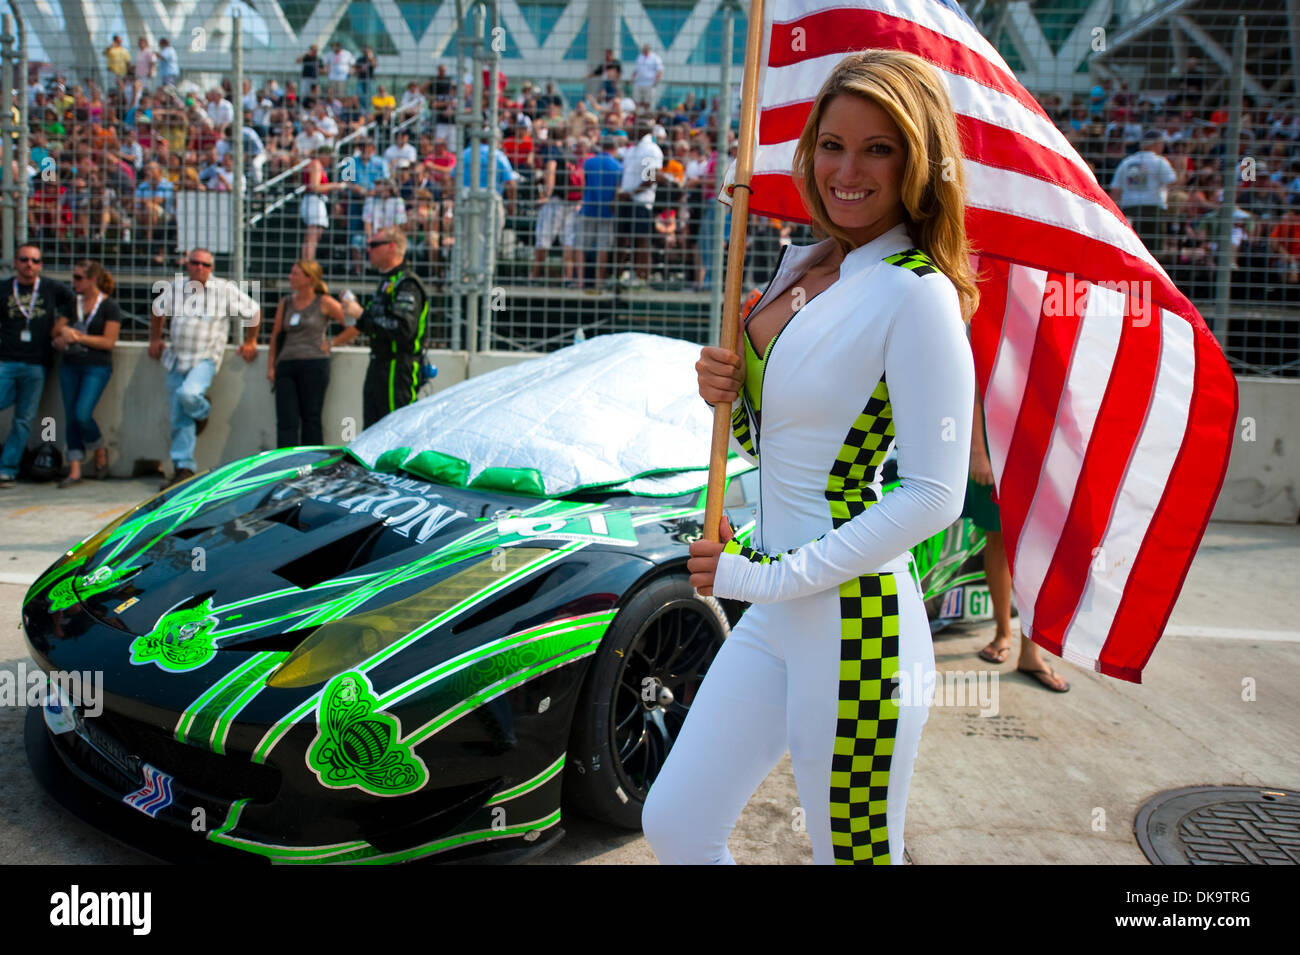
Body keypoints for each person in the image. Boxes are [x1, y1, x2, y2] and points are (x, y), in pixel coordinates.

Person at [642, 50, 978, 865]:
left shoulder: (917, 292)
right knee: (678, 824)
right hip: (774, 611)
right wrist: (729, 391)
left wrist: (765, 576)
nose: (847, 170)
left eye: (877, 148)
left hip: (856, 622)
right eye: (832, 144)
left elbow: (937, 494)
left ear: (916, 162)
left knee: (855, 859)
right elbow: (779, 440)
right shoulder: (806, 261)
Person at [968, 394, 1069, 691]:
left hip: (1047, 441)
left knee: (1038, 546)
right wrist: (977, 452)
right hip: (996, 438)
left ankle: (1031, 651)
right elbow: (974, 389)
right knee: (998, 539)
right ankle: (1003, 633)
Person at [148, 248, 261, 489]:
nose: (200, 268)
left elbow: (253, 311)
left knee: (188, 395)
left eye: (205, 265)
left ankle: (202, 411)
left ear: (211, 268)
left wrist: (251, 341)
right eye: (195, 263)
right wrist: (155, 338)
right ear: (187, 265)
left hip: (205, 358)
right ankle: (184, 468)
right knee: (179, 416)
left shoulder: (223, 289)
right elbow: (157, 310)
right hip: (176, 359)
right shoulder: (175, 287)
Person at [337, 227, 430, 428]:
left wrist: (361, 314)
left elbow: (403, 329)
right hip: (378, 363)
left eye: (373, 245)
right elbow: (371, 323)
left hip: (397, 367)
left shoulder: (407, 284)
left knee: (394, 430)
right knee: (372, 431)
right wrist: (354, 313)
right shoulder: (386, 282)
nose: (367, 249)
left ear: (391, 248)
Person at [0, 245, 73, 488]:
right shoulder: (4, 288)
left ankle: (7, 469)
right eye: (24, 259)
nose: (29, 264)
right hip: (7, 360)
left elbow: (76, 302)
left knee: (24, 419)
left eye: (35, 260)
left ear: (41, 264)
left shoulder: (51, 288)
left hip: (37, 364)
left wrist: (60, 326)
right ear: (15, 263)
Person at [54, 261, 121, 486]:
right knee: (71, 414)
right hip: (70, 364)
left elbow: (108, 341)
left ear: (92, 280)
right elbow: (55, 330)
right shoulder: (73, 303)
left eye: (78, 278)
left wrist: (79, 338)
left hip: (96, 365)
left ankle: (98, 446)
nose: (74, 282)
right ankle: (75, 469)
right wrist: (64, 332)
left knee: (83, 413)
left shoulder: (109, 306)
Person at [267, 261, 346, 448]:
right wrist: (271, 366)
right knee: (287, 419)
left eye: (295, 274)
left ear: (309, 278)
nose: (290, 277)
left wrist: (333, 342)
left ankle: (313, 463)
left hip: (314, 364)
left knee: (311, 417)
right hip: (286, 364)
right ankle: (285, 466)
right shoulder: (286, 302)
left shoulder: (324, 301)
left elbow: (353, 325)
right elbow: (275, 335)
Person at [1109, 128, 1179, 254]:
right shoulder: (1159, 161)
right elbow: (1173, 182)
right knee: (1154, 253)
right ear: (1155, 144)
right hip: (1153, 210)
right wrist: (1182, 168)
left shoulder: (1126, 163)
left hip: (1130, 209)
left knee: (1132, 250)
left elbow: (1115, 191)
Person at [300, 145, 347, 262]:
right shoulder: (316, 164)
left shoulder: (318, 165)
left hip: (315, 201)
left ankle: (307, 262)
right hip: (313, 201)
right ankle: (308, 263)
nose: (330, 161)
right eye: (330, 158)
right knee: (312, 236)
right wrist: (335, 185)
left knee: (313, 235)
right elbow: (314, 187)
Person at [632, 43, 664, 111]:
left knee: (647, 102)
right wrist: (632, 78)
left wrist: (656, 80)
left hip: (649, 84)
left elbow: (660, 70)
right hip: (639, 83)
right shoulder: (640, 57)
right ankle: (636, 116)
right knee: (636, 101)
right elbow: (635, 70)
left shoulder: (655, 57)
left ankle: (646, 115)